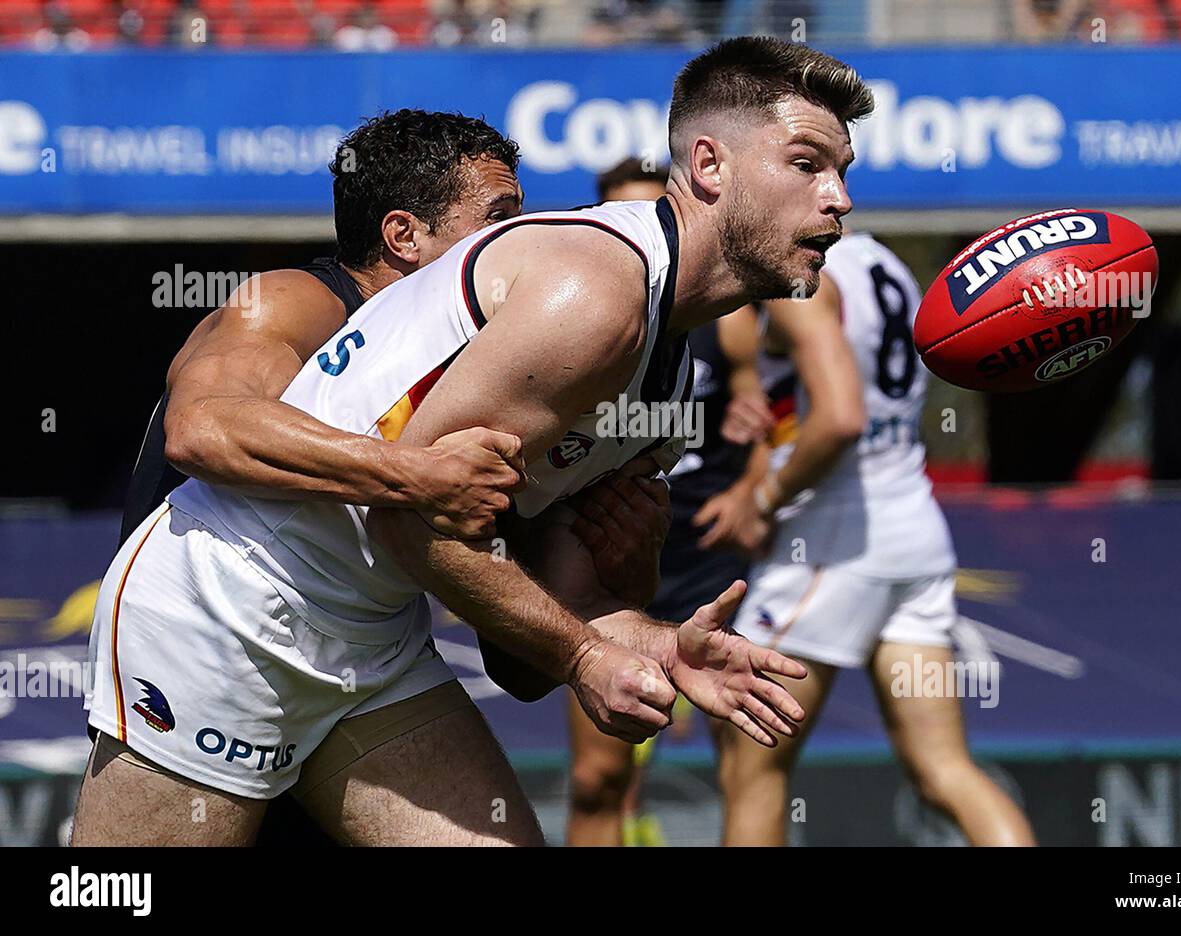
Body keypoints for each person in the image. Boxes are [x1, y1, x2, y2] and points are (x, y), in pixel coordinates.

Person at [74, 35, 871, 845]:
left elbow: (519, 653)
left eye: (845, 171)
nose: (839, 199)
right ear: (708, 164)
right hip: (225, 607)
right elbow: (407, 514)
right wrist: (584, 656)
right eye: (808, 164)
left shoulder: (665, 381)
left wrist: (651, 637)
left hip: (374, 637)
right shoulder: (593, 295)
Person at [706, 233, 1037, 846]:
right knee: (945, 771)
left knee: (751, 769)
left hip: (834, 547)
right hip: (915, 535)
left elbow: (839, 417)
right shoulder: (889, 265)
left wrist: (762, 500)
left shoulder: (803, 278)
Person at [563, 157, 770, 846]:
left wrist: (750, 490)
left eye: (651, 213)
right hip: (606, 559)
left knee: (747, 761)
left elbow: (759, 416)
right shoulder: (568, 317)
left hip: (705, 555)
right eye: (618, 215)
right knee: (600, 778)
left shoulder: (725, 316)